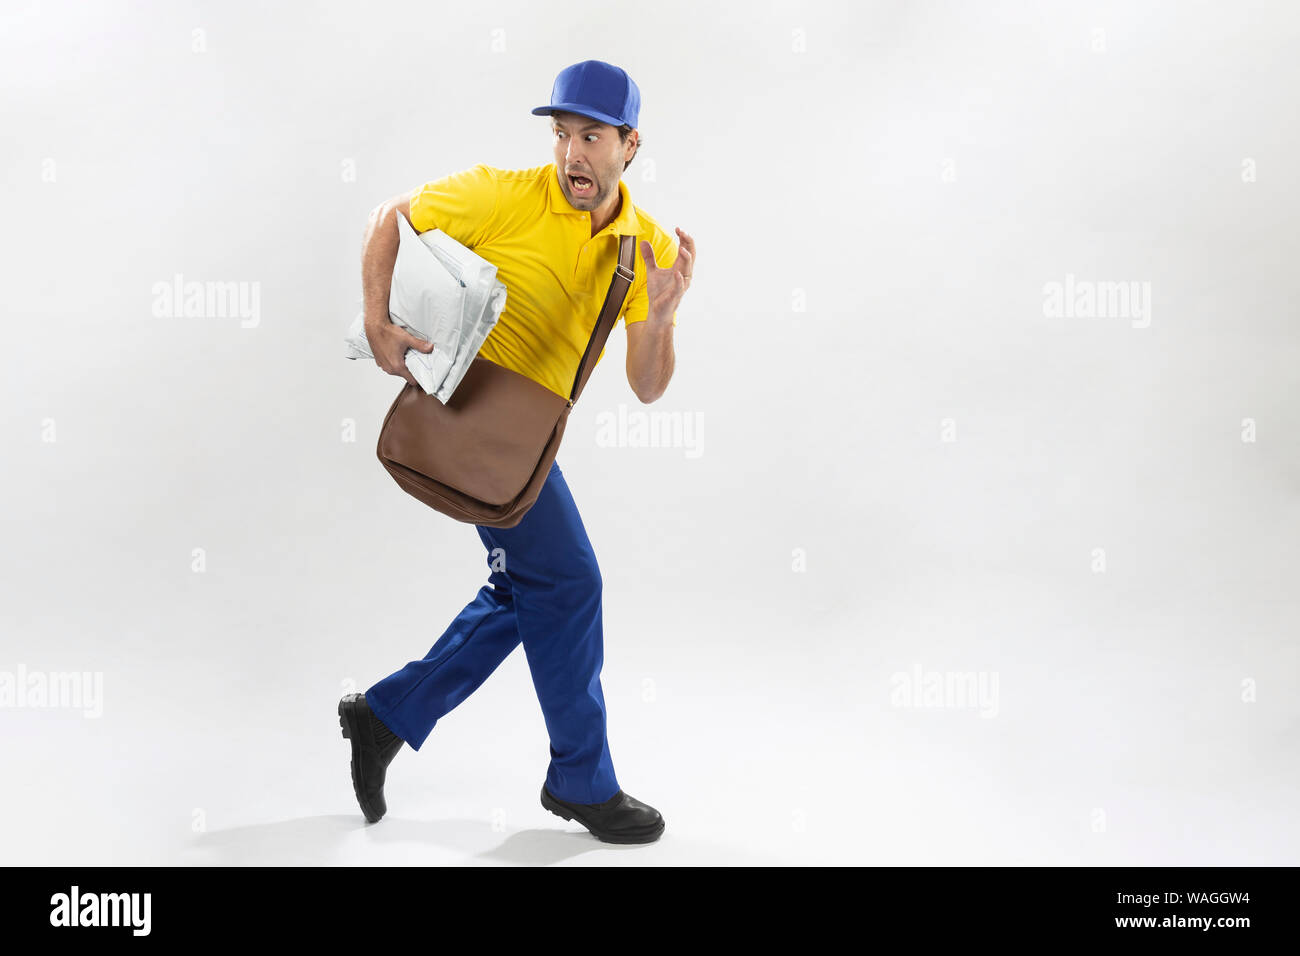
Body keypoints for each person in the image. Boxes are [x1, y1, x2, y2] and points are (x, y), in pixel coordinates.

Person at [338, 60, 695, 844]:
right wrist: (376, 321)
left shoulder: (647, 249)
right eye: (562, 134)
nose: (572, 152)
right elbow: (390, 216)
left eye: (590, 136)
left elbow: (646, 385)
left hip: (528, 444)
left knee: (530, 590)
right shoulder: (503, 192)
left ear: (629, 145)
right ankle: (582, 781)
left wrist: (662, 320)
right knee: (568, 582)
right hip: (474, 421)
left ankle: (383, 717)